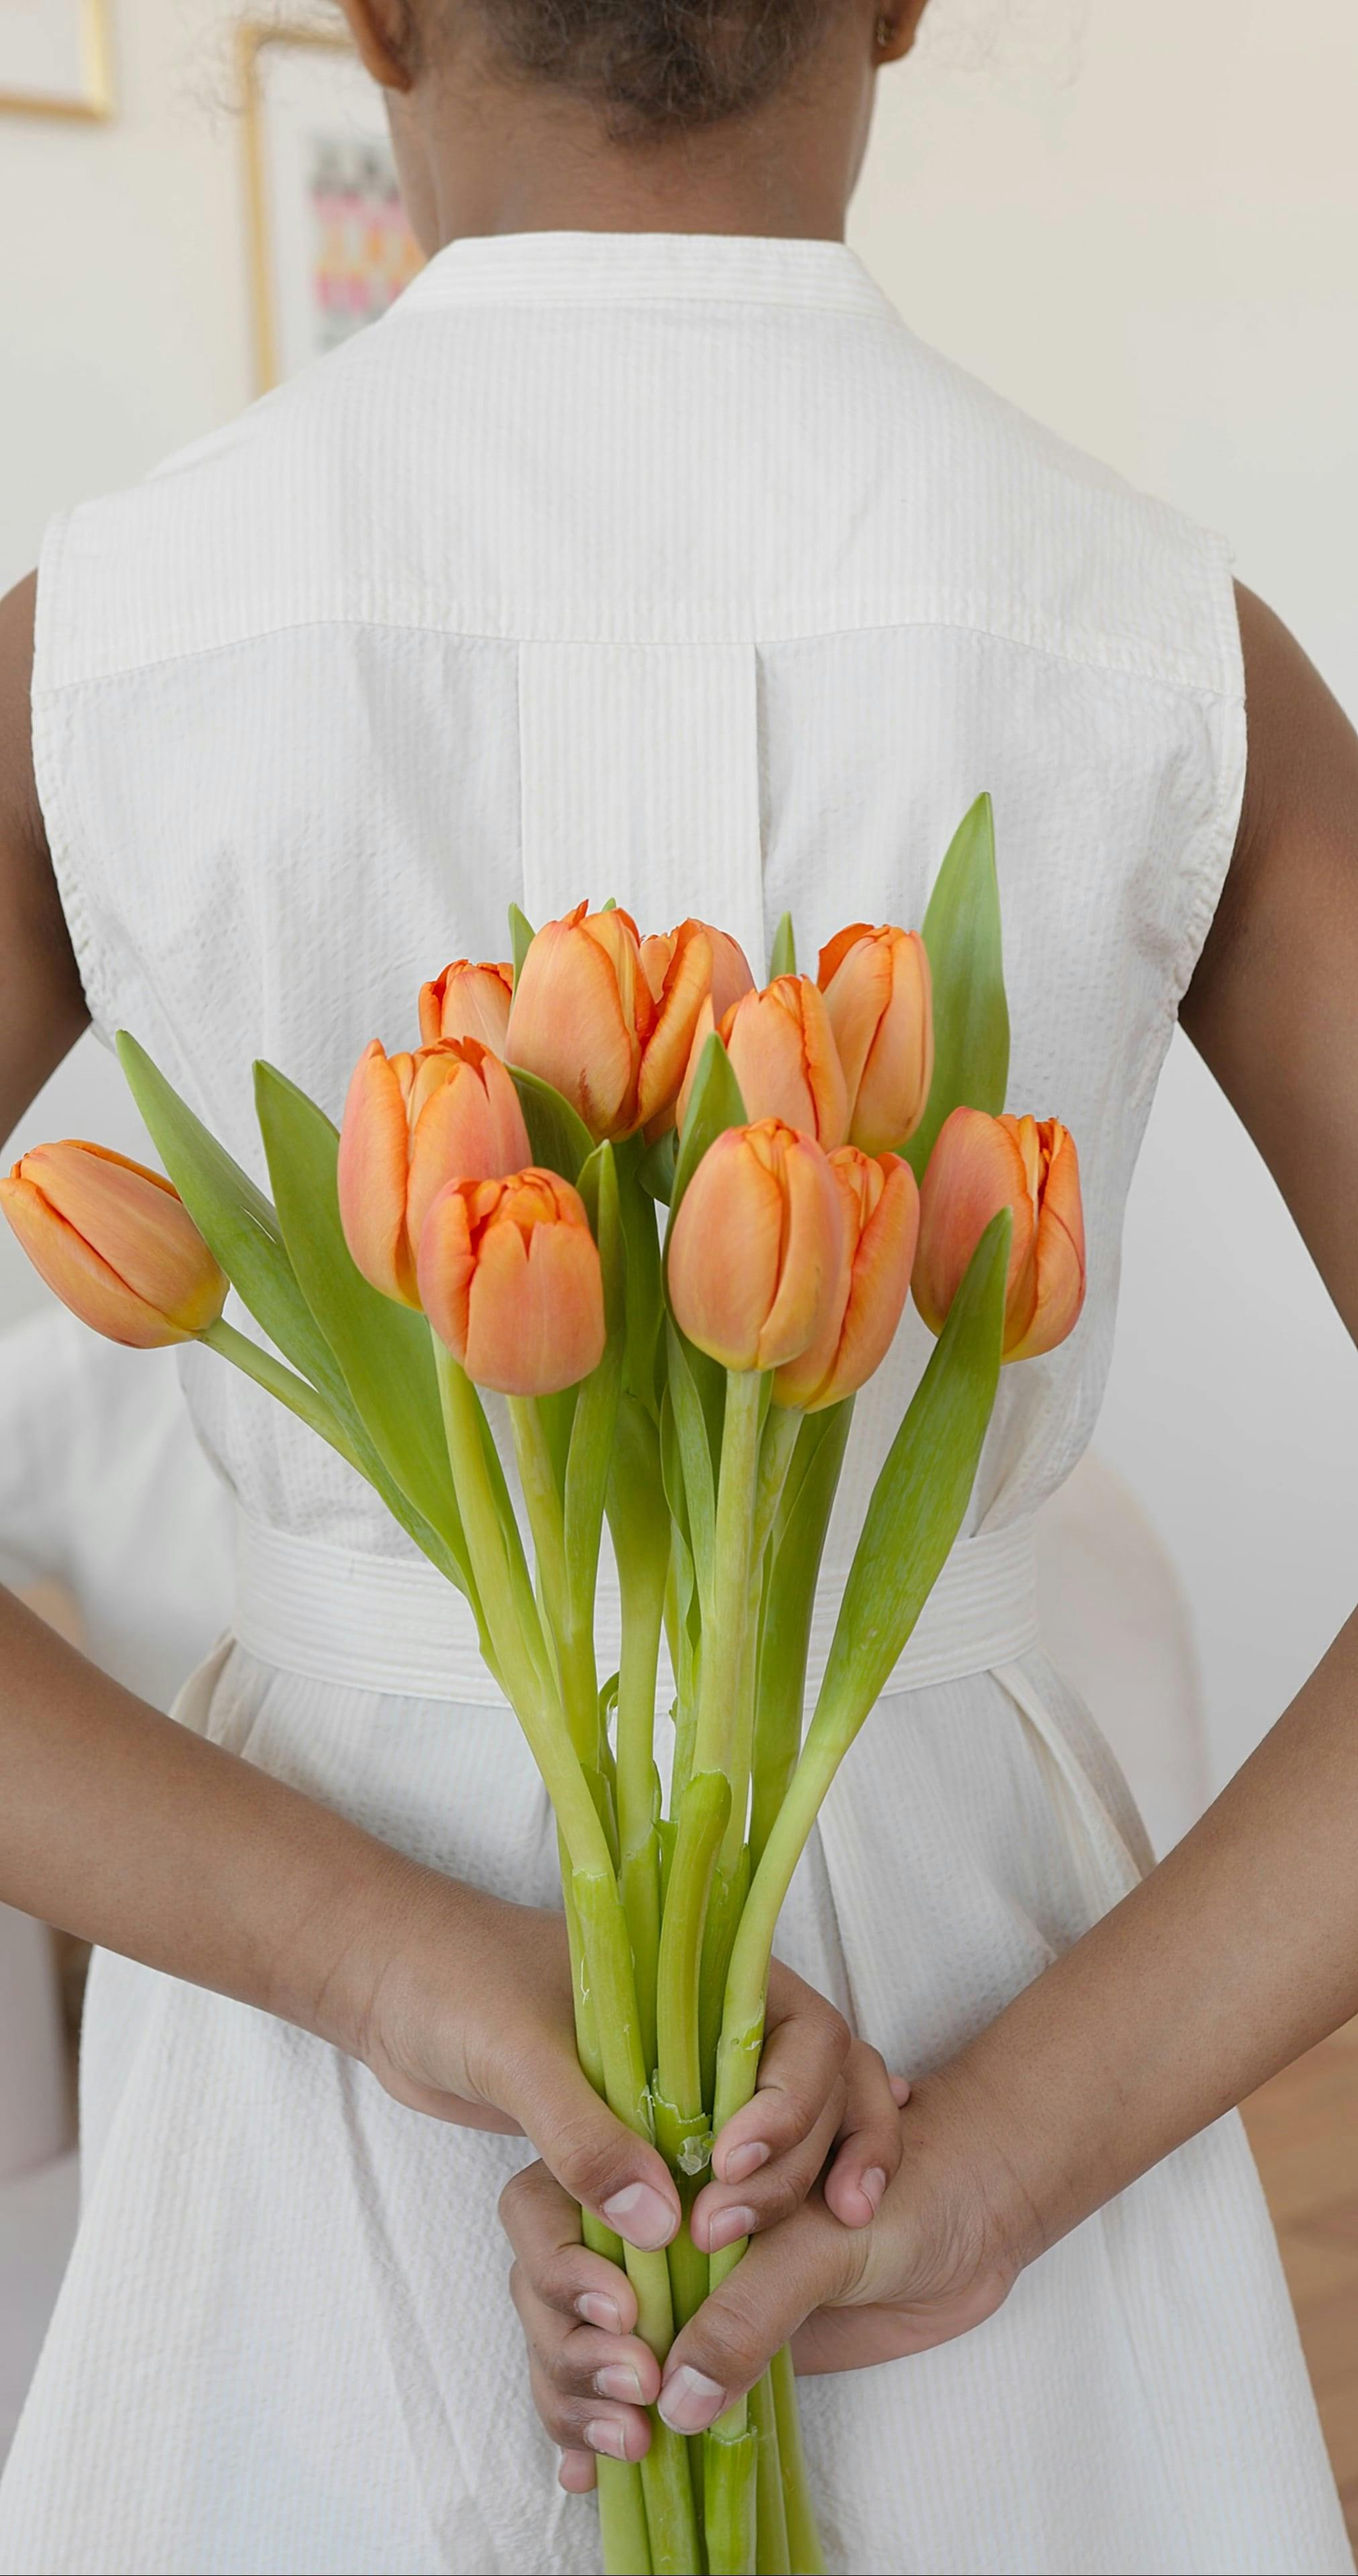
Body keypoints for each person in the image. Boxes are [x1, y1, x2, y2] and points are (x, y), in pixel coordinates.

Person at [0, 0, 1355, 2567]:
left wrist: (380, 1957)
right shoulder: (1170, 649)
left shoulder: (105, 650)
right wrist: (1009, 2147)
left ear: (374, 16)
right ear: (899, 6)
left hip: (319, 2021)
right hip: (966, 2022)